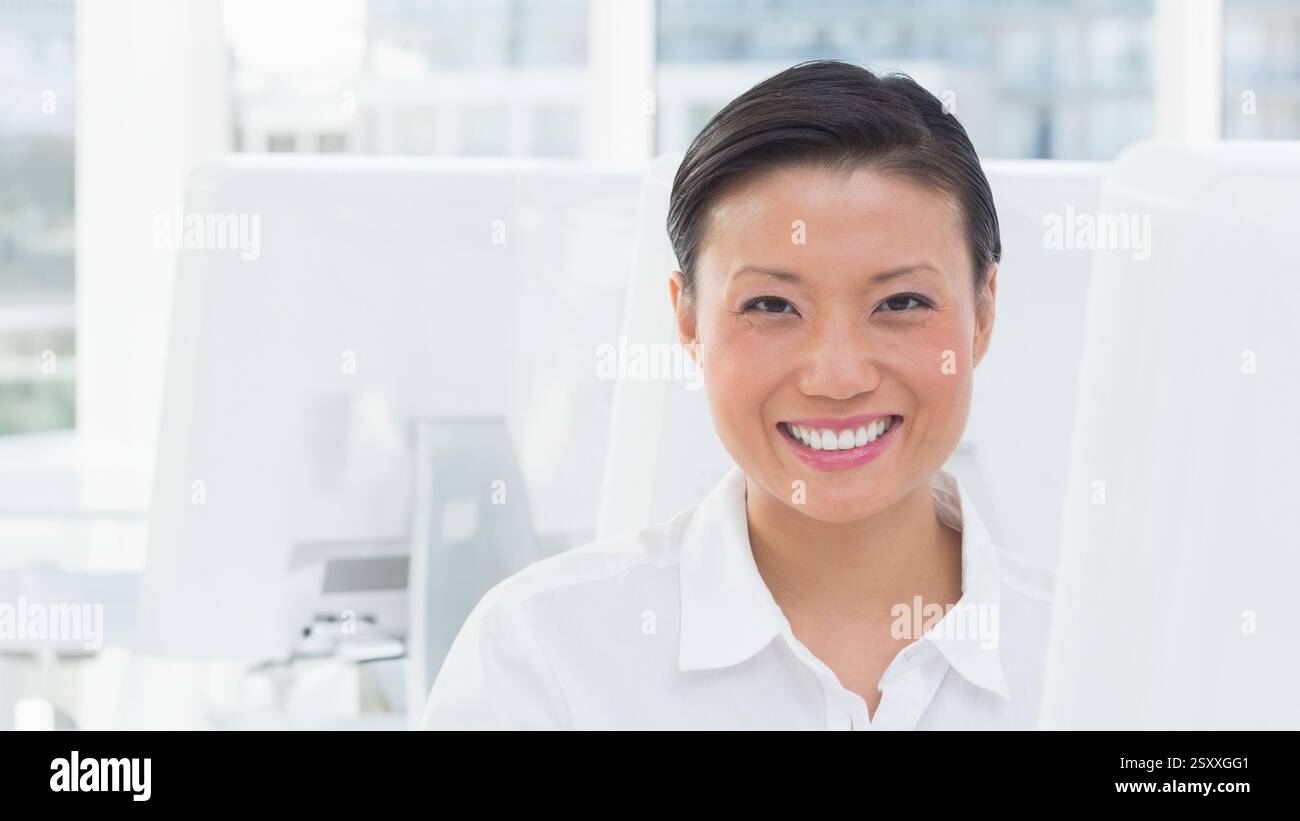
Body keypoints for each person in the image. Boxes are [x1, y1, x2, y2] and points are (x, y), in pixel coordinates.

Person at [421, 59, 1054, 730]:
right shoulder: (541, 656)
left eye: (901, 302)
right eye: (771, 305)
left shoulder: (1092, 653)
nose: (837, 376)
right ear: (688, 321)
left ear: (983, 312)